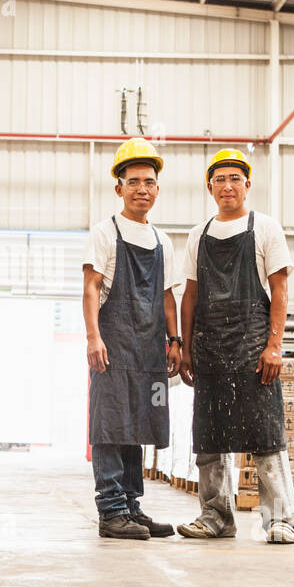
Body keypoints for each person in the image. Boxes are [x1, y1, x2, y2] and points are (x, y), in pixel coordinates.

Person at [177, 149, 294, 544]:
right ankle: (216, 515)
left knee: (266, 434)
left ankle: (281, 519)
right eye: (219, 179)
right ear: (209, 187)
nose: (227, 185)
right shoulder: (199, 235)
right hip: (210, 347)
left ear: (247, 184)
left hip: (253, 347)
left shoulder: (266, 228)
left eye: (235, 178)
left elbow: (280, 291)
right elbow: (190, 296)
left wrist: (274, 346)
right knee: (210, 436)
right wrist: (186, 348)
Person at [83, 138, 181, 540]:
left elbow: (166, 296)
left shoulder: (163, 241)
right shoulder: (105, 233)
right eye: (134, 181)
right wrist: (93, 337)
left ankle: (131, 507)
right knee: (110, 426)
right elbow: (91, 289)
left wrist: (175, 341)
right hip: (113, 345)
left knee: (138, 425)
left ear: (158, 189)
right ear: (119, 187)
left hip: (148, 350)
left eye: (149, 182)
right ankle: (110, 511)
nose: (142, 188)